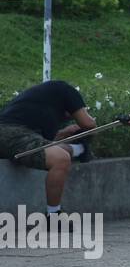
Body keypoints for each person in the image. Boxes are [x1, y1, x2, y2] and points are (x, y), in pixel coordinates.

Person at [0, 80, 96, 219]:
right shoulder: (67, 91)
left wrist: (65, 132)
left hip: (14, 136)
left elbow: (46, 145)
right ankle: (54, 214)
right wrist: (88, 126)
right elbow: (88, 124)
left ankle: (80, 149)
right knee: (60, 159)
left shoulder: (43, 104)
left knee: (57, 153)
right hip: (13, 133)